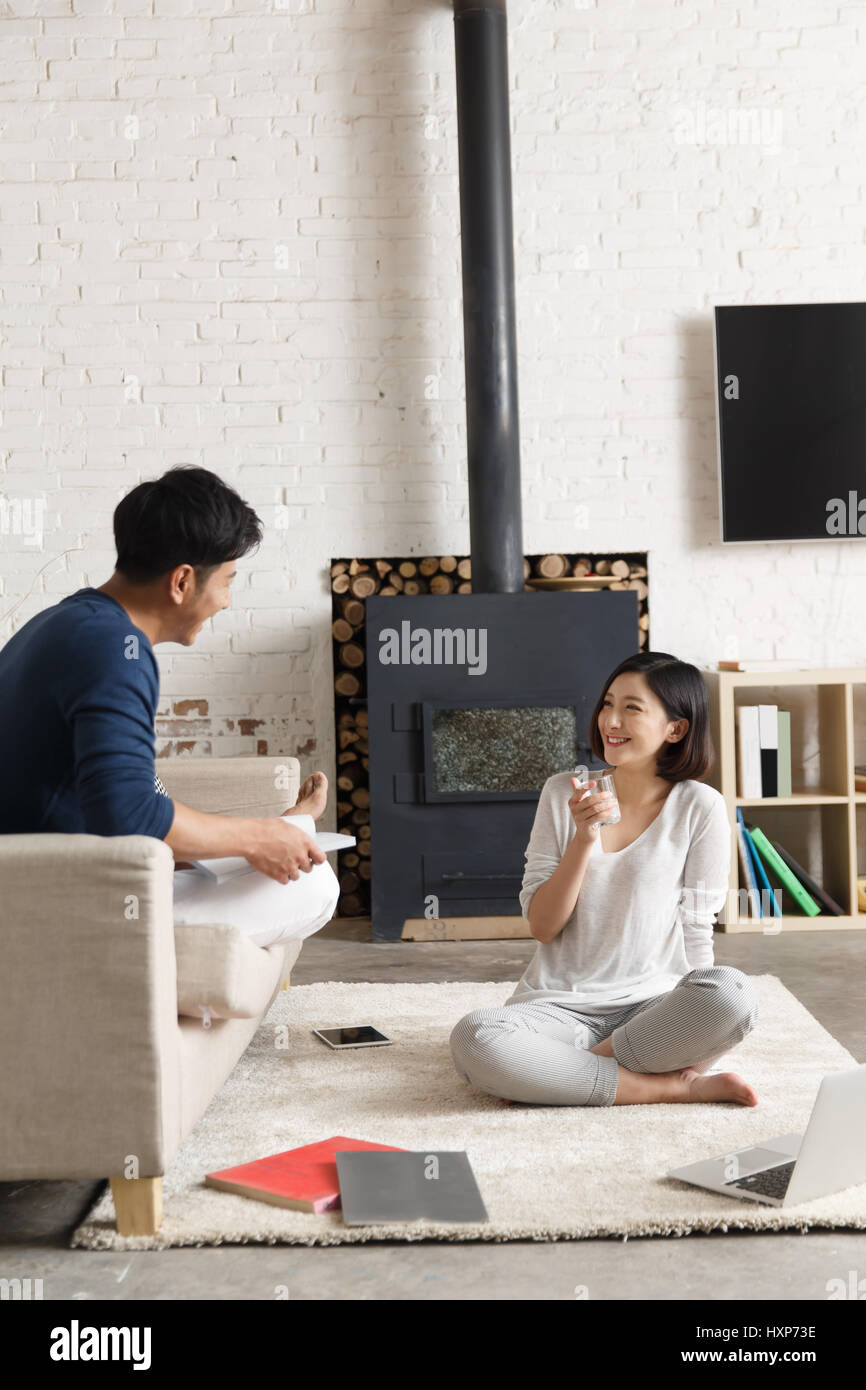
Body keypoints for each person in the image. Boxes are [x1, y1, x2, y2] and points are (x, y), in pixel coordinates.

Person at [0, 466, 340, 949]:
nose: (225, 602)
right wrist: (257, 837)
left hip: (58, 878)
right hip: (57, 906)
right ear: (182, 581)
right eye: (227, 581)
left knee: (272, 866)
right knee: (315, 887)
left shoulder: (67, 623)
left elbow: (122, 810)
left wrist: (271, 833)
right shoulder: (117, 654)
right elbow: (128, 818)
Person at [450, 651, 759, 1108]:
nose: (610, 720)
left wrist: (700, 1021)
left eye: (632, 708)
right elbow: (542, 926)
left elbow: (697, 928)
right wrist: (583, 838)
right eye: (607, 704)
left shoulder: (701, 806)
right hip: (557, 1006)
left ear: (676, 728)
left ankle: (565, 1073)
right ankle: (665, 1087)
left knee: (732, 993)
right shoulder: (563, 793)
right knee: (476, 1036)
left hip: (652, 1009)